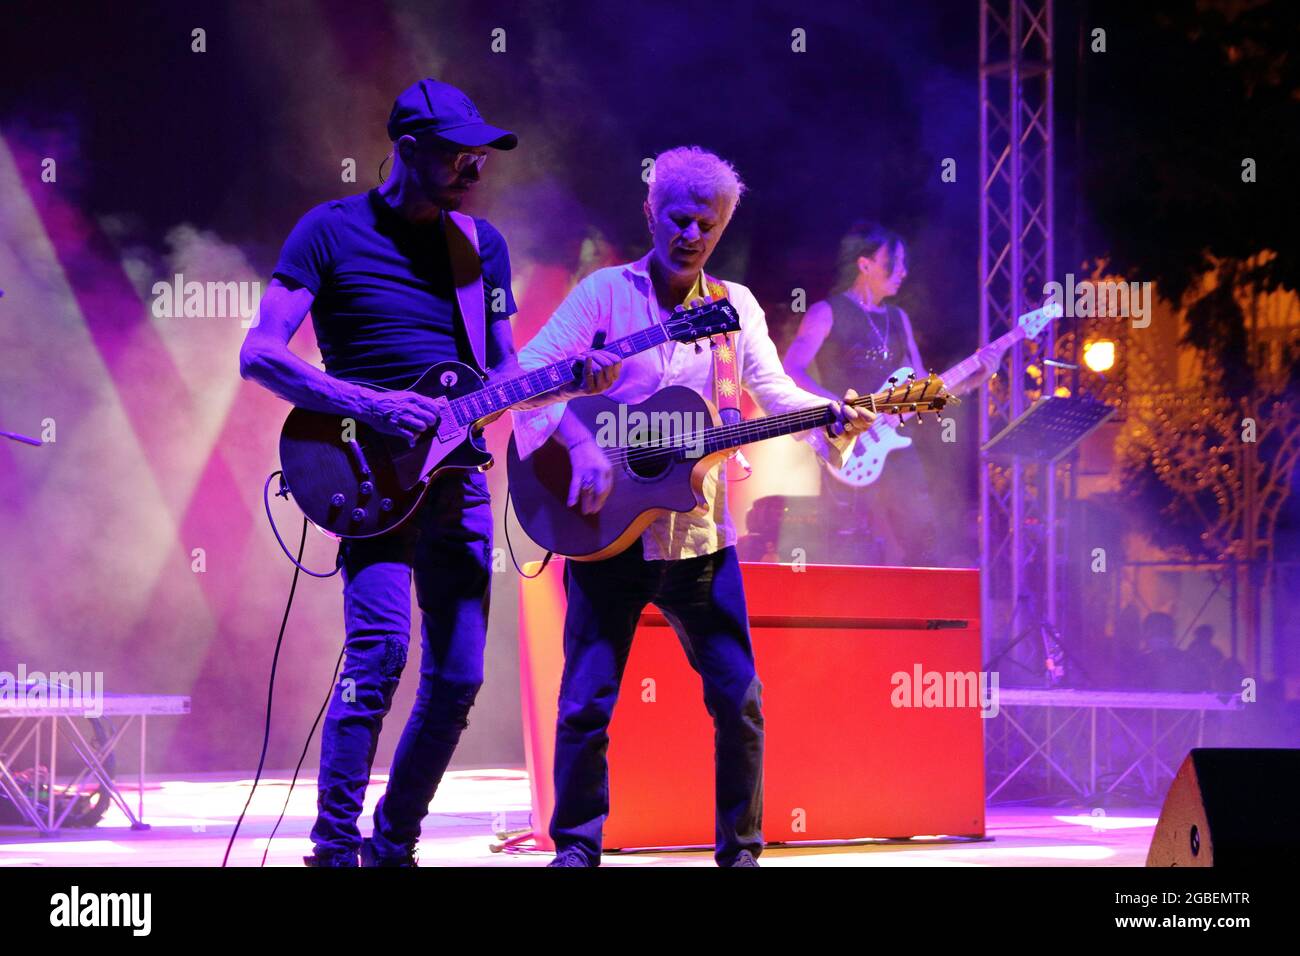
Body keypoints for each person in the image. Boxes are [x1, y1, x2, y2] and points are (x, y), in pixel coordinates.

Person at [239, 79, 619, 866]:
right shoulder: (328, 232)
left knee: (457, 679)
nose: (475, 171)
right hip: (368, 478)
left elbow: (507, 367)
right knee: (376, 661)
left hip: (461, 482)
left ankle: (392, 843)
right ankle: (333, 848)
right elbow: (261, 354)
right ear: (407, 150)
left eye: (480, 155)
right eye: (458, 157)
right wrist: (372, 406)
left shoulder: (481, 247)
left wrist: (569, 388)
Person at [510, 146, 872, 867]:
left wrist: (830, 412)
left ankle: (740, 854)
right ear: (650, 211)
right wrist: (580, 441)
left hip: (701, 537)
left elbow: (775, 391)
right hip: (605, 536)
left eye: (707, 223)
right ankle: (575, 851)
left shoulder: (733, 307)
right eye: (679, 217)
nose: (691, 234)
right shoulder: (602, 296)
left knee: (739, 699)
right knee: (585, 704)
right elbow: (525, 374)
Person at [784, 222, 1000, 566]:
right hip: (846, 442)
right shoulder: (827, 312)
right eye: (894, 262)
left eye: (904, 263)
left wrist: (977, 376)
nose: (902, 271)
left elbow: (925, 396)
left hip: (895, 445)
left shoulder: (899, 319)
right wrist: (838, 408)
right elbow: (791, 371)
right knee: (849, 546)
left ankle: (920, 613)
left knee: (924, 535)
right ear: (864, 264)